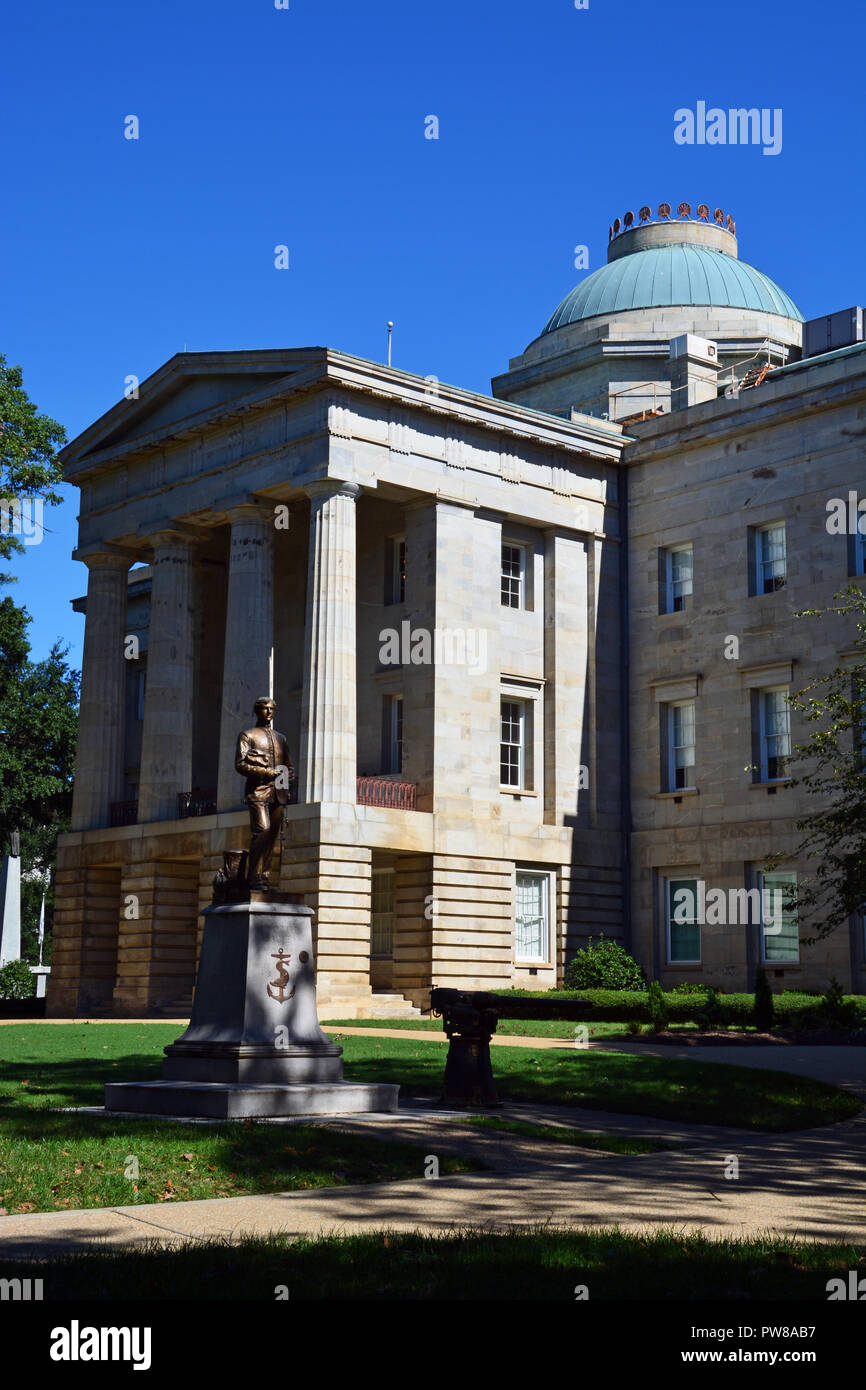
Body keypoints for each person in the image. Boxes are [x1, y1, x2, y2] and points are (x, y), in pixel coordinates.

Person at [235, 697, 294, 889]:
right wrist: (266, 772)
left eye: (271, 709)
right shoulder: (248, 735)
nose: (268, 712)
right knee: (262, 831)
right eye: (264, 708)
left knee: (272, 838)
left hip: (278, 793)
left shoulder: (281, 738)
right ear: (256, 711)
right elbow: (240, 764)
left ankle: (263, 879)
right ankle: (254, 877)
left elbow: (288, 766)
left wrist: (287, 779)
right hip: (258, 791)